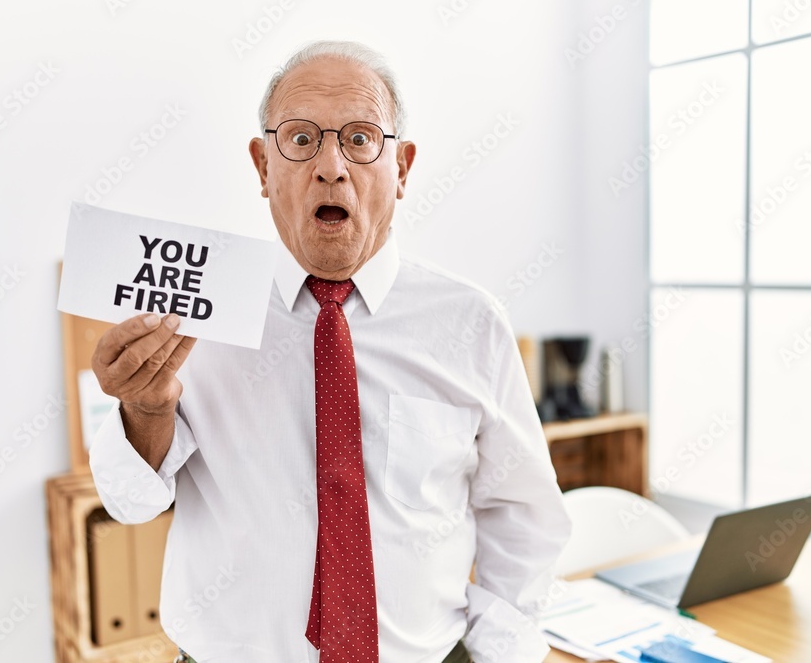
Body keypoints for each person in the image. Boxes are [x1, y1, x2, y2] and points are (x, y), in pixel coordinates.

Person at [89, 40, 571, 663]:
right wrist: (145, 409)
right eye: (300, 139)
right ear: (263, 167)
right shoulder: (193, 313)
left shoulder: (470, 324)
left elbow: (523, 515)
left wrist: (502, 654)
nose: (331, 166)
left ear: (402, 168)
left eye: (362, 138)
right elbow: (131, 503)